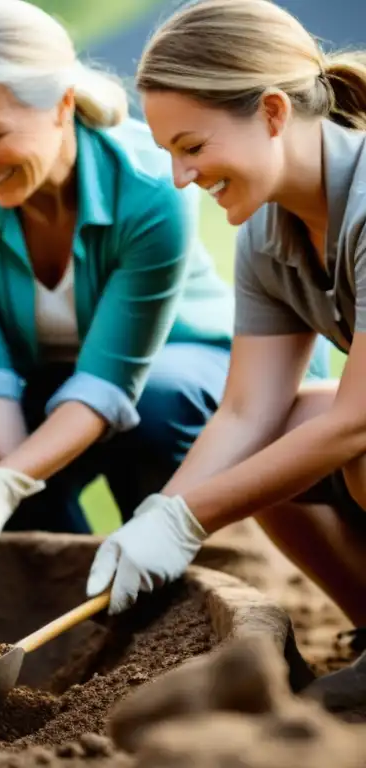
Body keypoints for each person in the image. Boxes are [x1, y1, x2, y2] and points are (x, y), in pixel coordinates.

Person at [0, 0, 327, 568]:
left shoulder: (151, 184)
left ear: (61, 106)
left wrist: (13, 477)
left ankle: (188, 581)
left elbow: (110, 381)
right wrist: (10, 483)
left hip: (176, 364)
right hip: (42, 380)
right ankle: (78, 586)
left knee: (157, 408)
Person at [80, 0, 366, 712]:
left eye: (193, 146)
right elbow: (245, 412)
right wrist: (158, 514)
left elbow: (358, 420)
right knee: (285, 425)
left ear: (272, 112)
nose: (180, 177)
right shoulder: (267, 232)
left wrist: (188, 521)